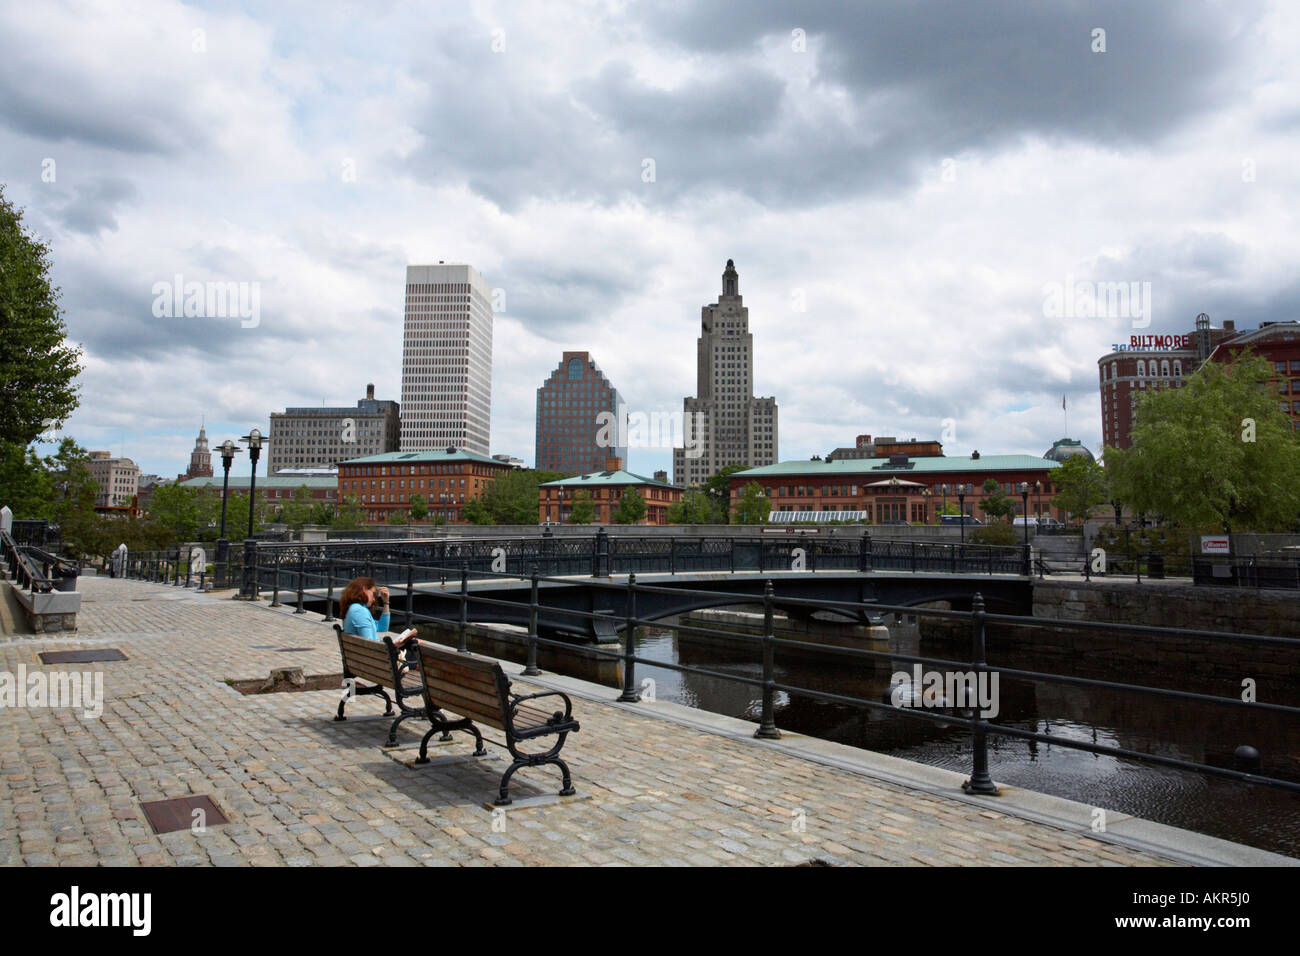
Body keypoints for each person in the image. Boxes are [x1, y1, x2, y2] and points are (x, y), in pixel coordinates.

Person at [339, 576, 418, 648]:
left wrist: (386, 602)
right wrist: (393, 646)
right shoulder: (359, 611)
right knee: (415, 647)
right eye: (373, 594)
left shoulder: (353, 608)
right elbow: (370, 644)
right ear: (364, 589)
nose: (374, 599)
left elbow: (382, 627)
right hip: (372, 659)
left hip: (362, 657)